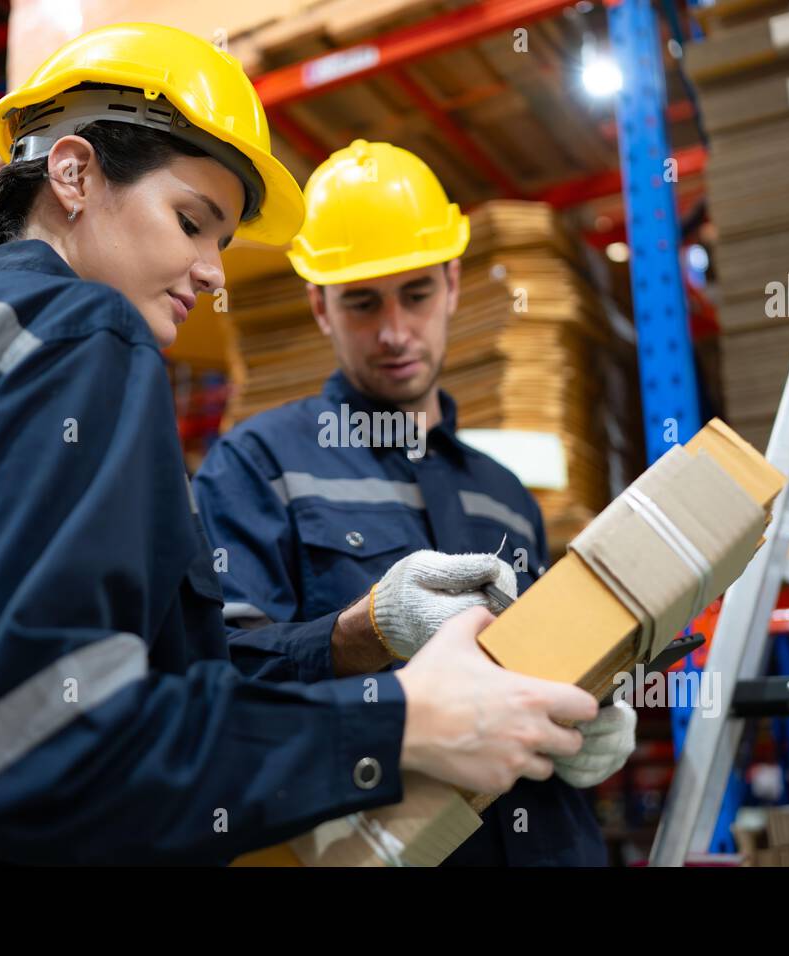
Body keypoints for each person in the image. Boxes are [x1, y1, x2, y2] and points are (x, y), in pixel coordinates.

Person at [0, 25, 599, 865]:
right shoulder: (80, 331)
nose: (216, 269)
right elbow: (34, 743)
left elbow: (118, 670)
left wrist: (357, 635)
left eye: (221, 237)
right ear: (73, 173)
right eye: (192, 221)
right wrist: (406, 722)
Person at [194, 140, 637, 866]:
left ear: (455, 284)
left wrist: (590, 714)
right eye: (363, 302)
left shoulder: (507, 496)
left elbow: (544, 659)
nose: (395, 331)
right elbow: (222, 680)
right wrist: (363, 632)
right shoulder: (257, 464)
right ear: (319, 306)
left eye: (417, 293)